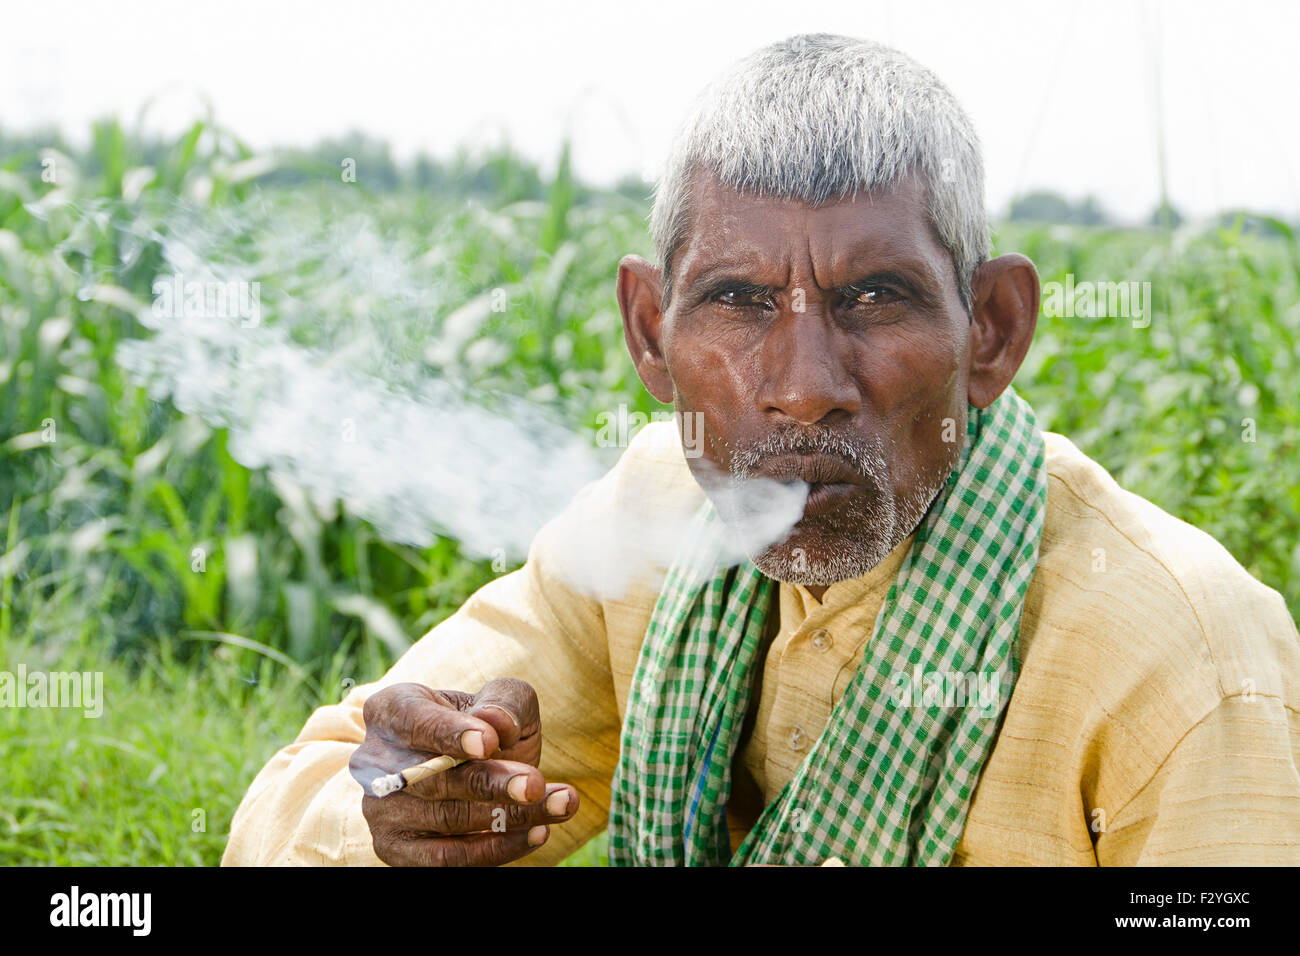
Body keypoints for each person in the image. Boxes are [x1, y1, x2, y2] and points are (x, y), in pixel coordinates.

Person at [222, 34, 1300, 867]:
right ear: (650, 331)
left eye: (874, 297)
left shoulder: (1182, 659)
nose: (801, 386)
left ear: (992, 331)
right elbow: (294, 802)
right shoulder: (651, 523)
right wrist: (402, 817)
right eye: (737, 301)